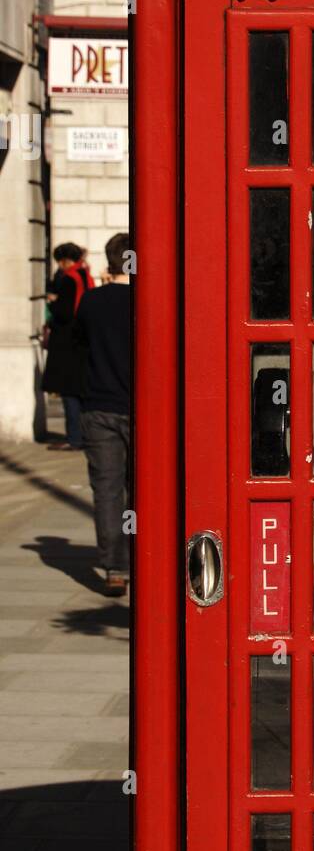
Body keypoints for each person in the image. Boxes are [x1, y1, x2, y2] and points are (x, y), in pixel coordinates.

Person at [75, 232, 132, 596]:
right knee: (144, 490)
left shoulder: (92, 302)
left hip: (98, 407)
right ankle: (148, 557)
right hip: (145, 409)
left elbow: (78, 345)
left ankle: (115, 568)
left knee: (108, 491)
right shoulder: (152, 299)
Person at [41, 243, 94, 450]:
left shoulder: (69, 279)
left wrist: (53, 303)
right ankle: (82, 435)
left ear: (64, 260)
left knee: (69, 393)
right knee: (79, 393)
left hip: (67, 343)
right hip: (81, 340)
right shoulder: (84, 275)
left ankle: (74, 438)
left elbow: (63, 313)